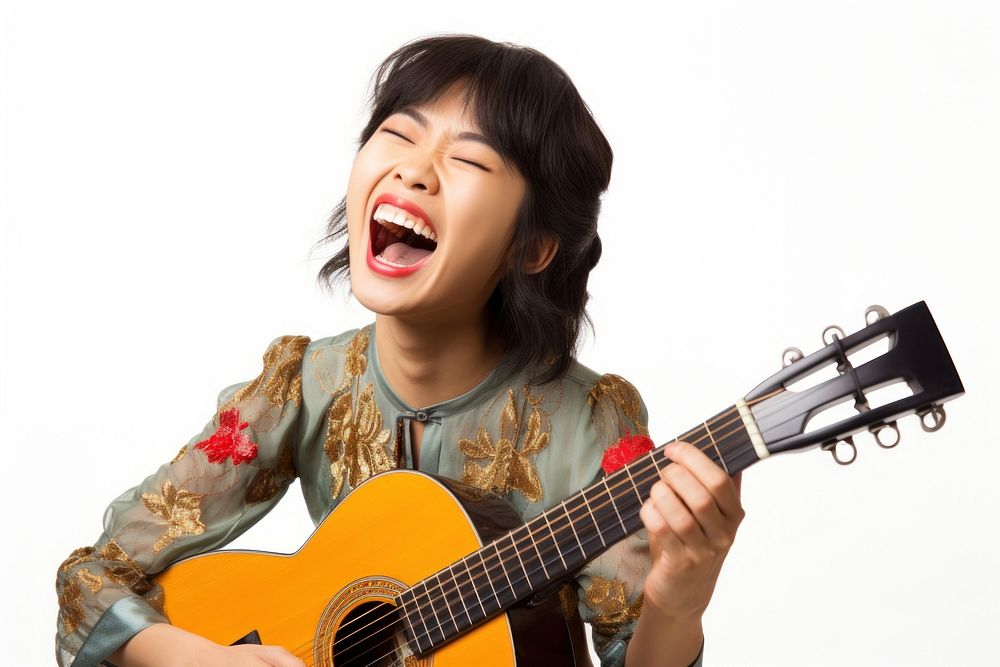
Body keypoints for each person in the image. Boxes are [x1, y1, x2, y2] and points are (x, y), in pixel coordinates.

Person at [54, 34, 744, 667]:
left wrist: (679, 604)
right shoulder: (303, 386)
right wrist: (198, 658)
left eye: (469, 159)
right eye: (398, 134)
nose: (415, 171)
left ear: (531, 246)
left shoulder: (591, 421)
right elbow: (94, 577)